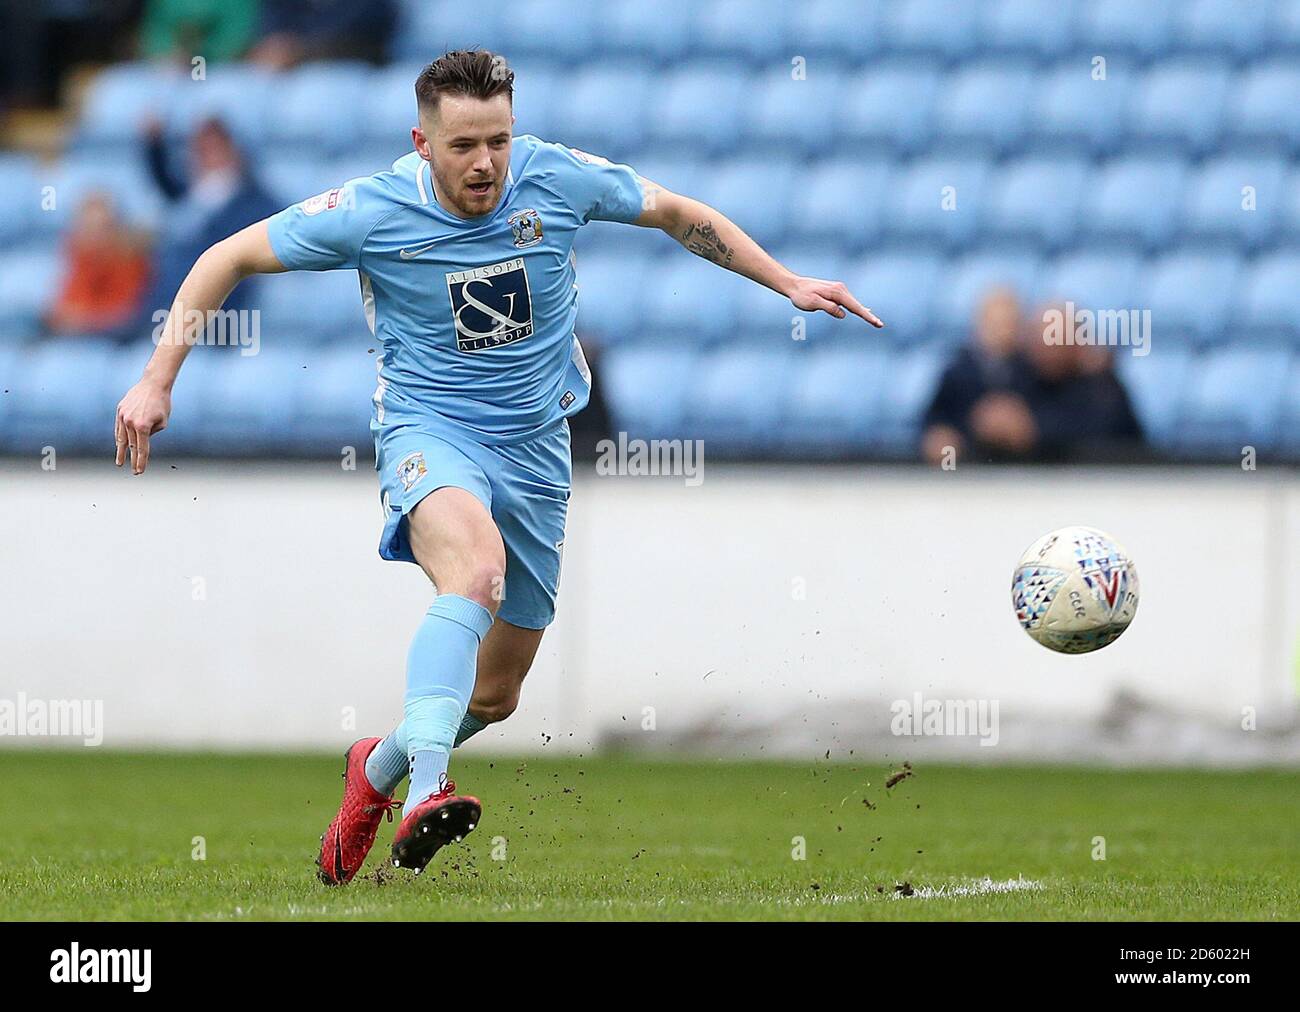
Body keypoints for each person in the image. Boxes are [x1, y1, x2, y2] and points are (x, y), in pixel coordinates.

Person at [112, 50, 882, 884]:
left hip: (537, 447)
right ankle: (427, 791)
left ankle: (375, 770)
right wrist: (157, 380)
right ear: (422, 142)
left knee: (496, 695)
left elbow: (673, 212)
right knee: (473, 572)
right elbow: (223, 257)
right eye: (463, 145)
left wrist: (787, 281)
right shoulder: (370, 211)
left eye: (498, 141)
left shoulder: (555, 177)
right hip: (428, 431)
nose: (485, 162)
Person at [45, 192, 151, 339]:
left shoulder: (130, 261)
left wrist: (84, 320)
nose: (95, 235)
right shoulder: (79, 257)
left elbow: (126, 315)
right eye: (88, 227)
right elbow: (63, 309)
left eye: (103, 228)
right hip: (78, 338)